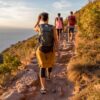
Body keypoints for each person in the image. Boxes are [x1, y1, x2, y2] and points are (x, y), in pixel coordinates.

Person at [34, 12, 59, 94]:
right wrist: (58, 50)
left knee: (42, 67)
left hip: (41, 50)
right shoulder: (52, 27)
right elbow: (55, 39)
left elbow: (34, 28)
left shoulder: (39, 27)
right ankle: (48, 76)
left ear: (41, 18)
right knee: (50, 63)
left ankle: (43, 88)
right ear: (48, 18)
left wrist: (38, 21)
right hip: (50, 49)